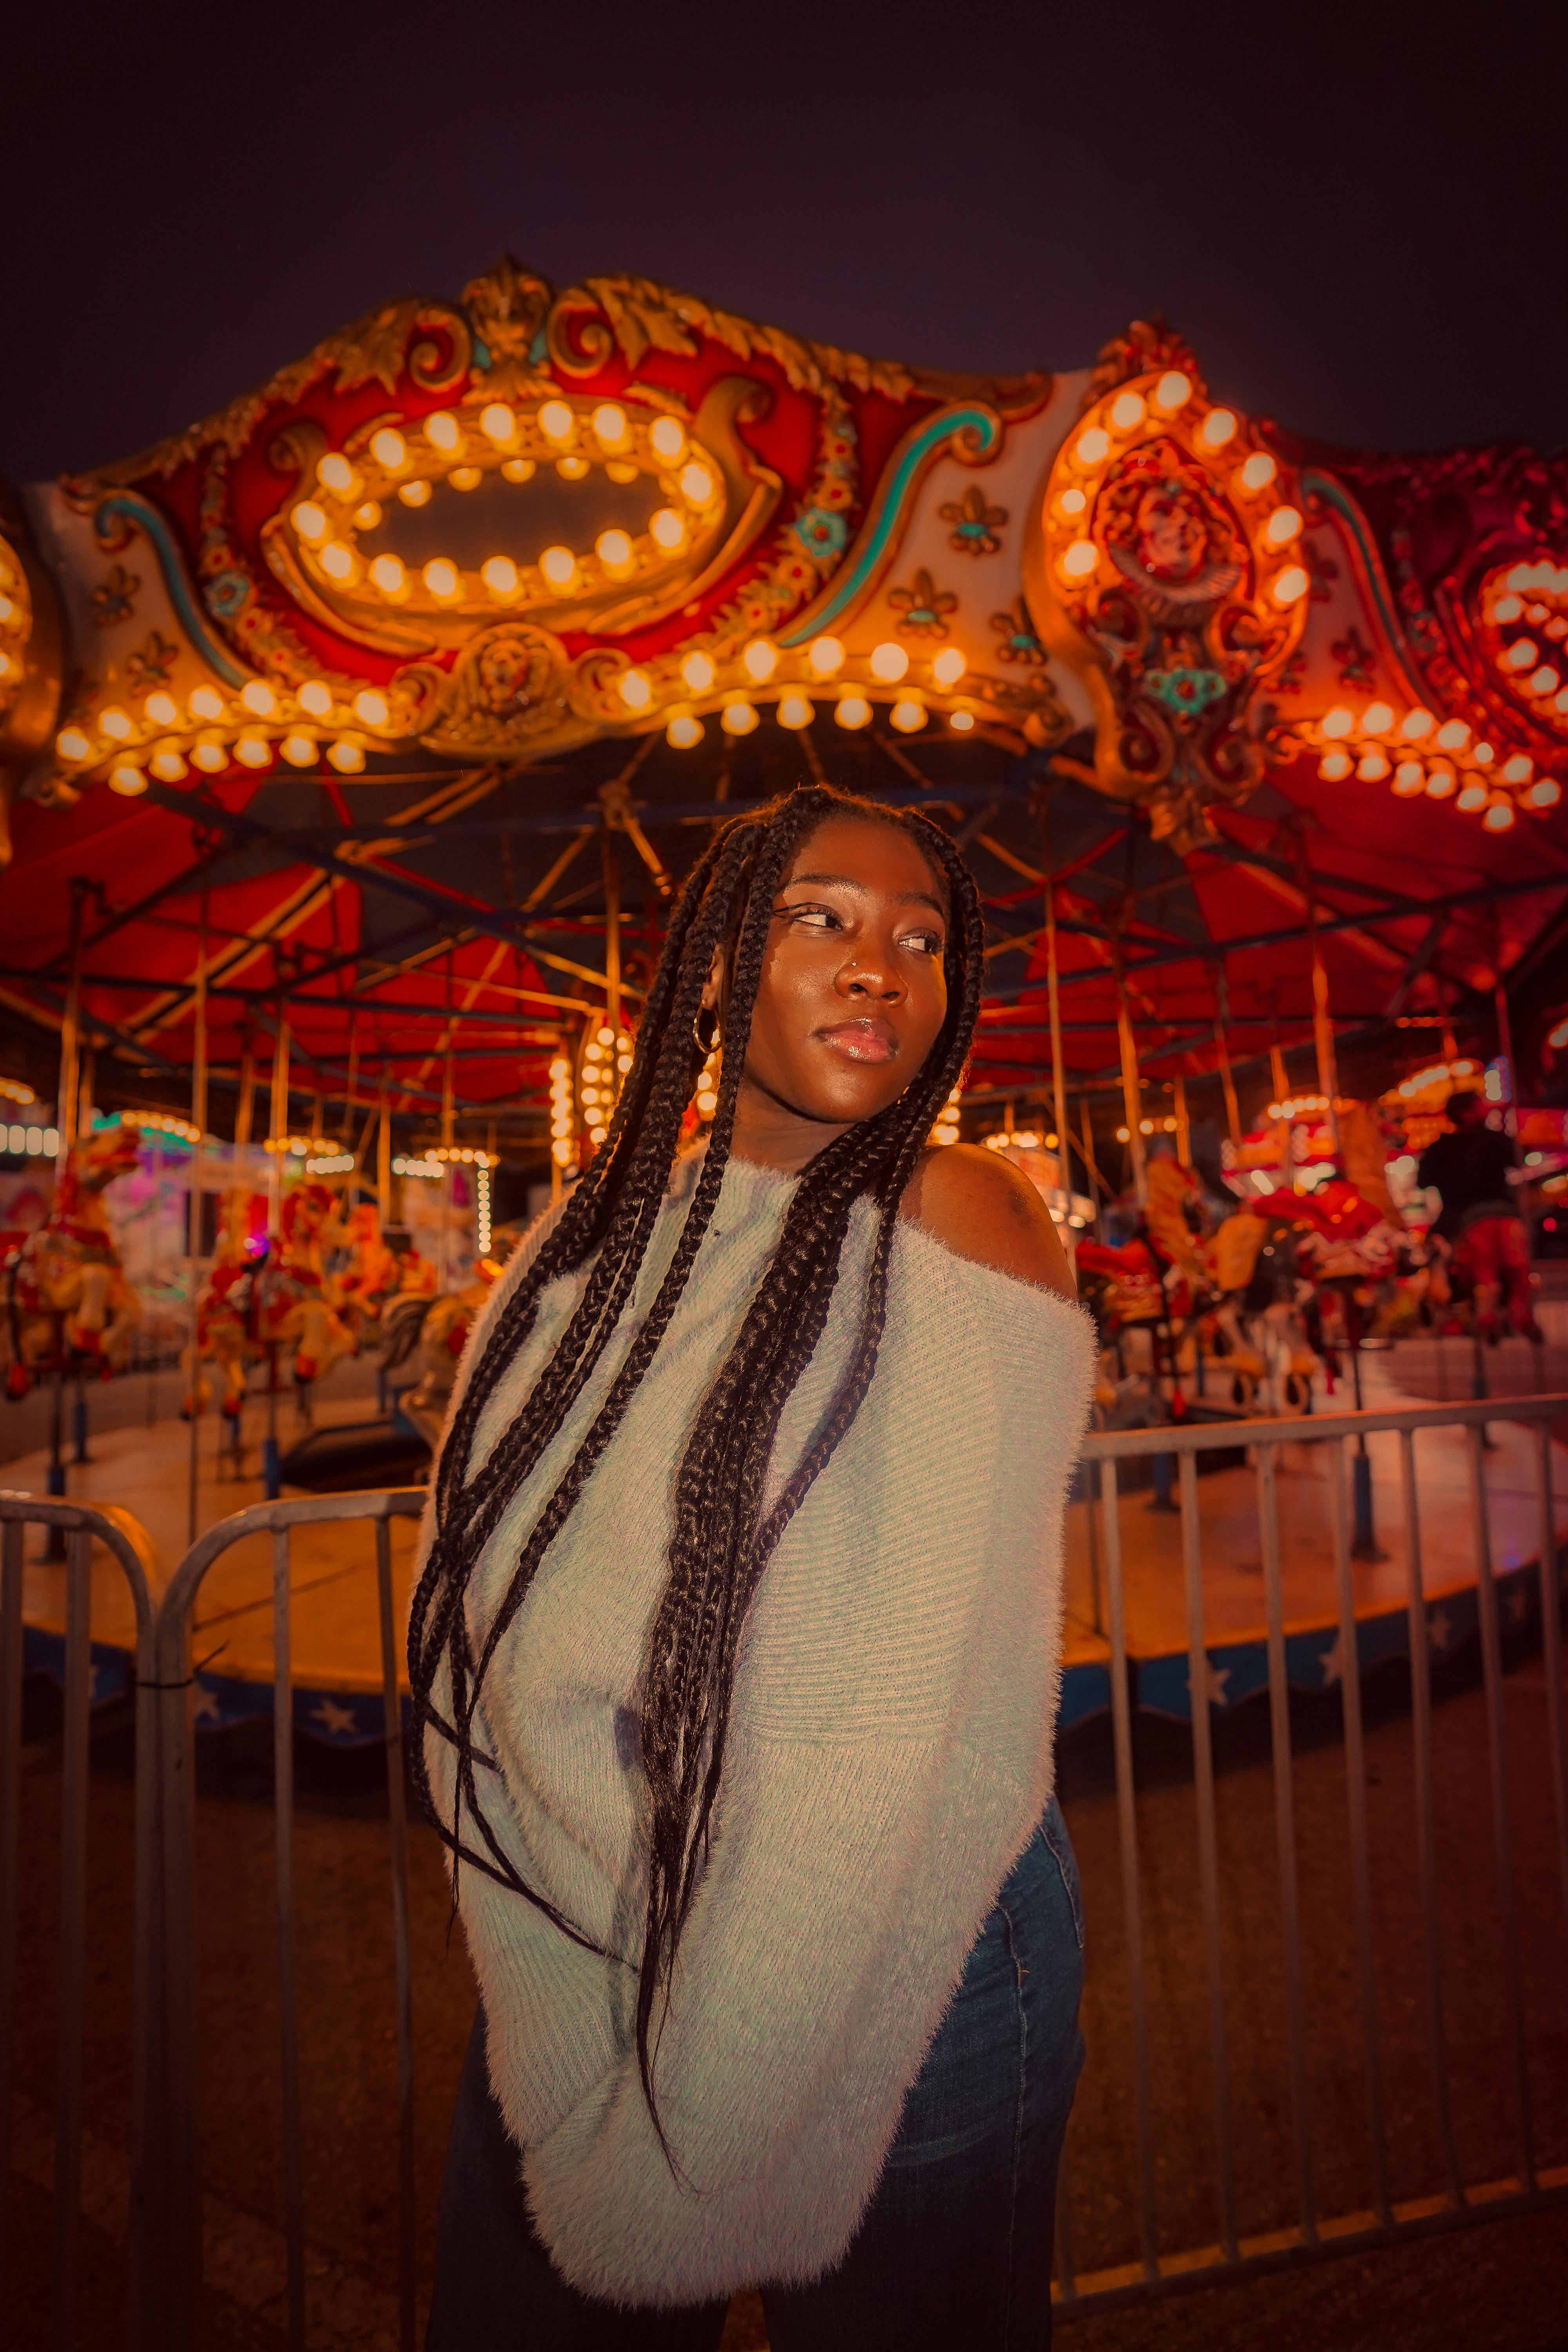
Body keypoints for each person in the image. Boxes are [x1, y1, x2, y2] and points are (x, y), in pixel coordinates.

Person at [410, 782, 1095, 2349]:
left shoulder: (958, 1214)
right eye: (824, 922)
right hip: (597, 1912)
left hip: (900, 1942)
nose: (882, 968)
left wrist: (725, 2049)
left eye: (921, 940)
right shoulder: (599, 1232)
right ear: (717, 963)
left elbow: (891, 1700)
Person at [1416, 1088, 1541, 1342]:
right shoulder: (1496, 1140)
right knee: (1519, 1267)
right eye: (1479, 1106)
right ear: (1467, 1112)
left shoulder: (1441, 1148)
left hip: (1463, 1216)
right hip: (1504, 1212)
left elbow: (1423, 1181)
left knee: (1443, 1257)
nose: (1485, 1110)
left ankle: (1467, 1307)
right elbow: (1521, 1157)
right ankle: (1522, 1312)